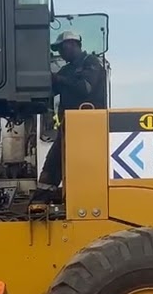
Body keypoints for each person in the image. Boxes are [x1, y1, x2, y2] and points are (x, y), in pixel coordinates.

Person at [37, 30, 108, 196]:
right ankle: (42, 199)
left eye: (62, 48)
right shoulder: (66, 70)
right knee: (53, 163)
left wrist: (58, 79)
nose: (60, 52)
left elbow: (85, 88)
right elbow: (50, 93)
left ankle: (84, 196)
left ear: (73, 44)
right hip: (68, 127)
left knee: (81, 165)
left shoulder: (91, 62)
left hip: (88, 127)